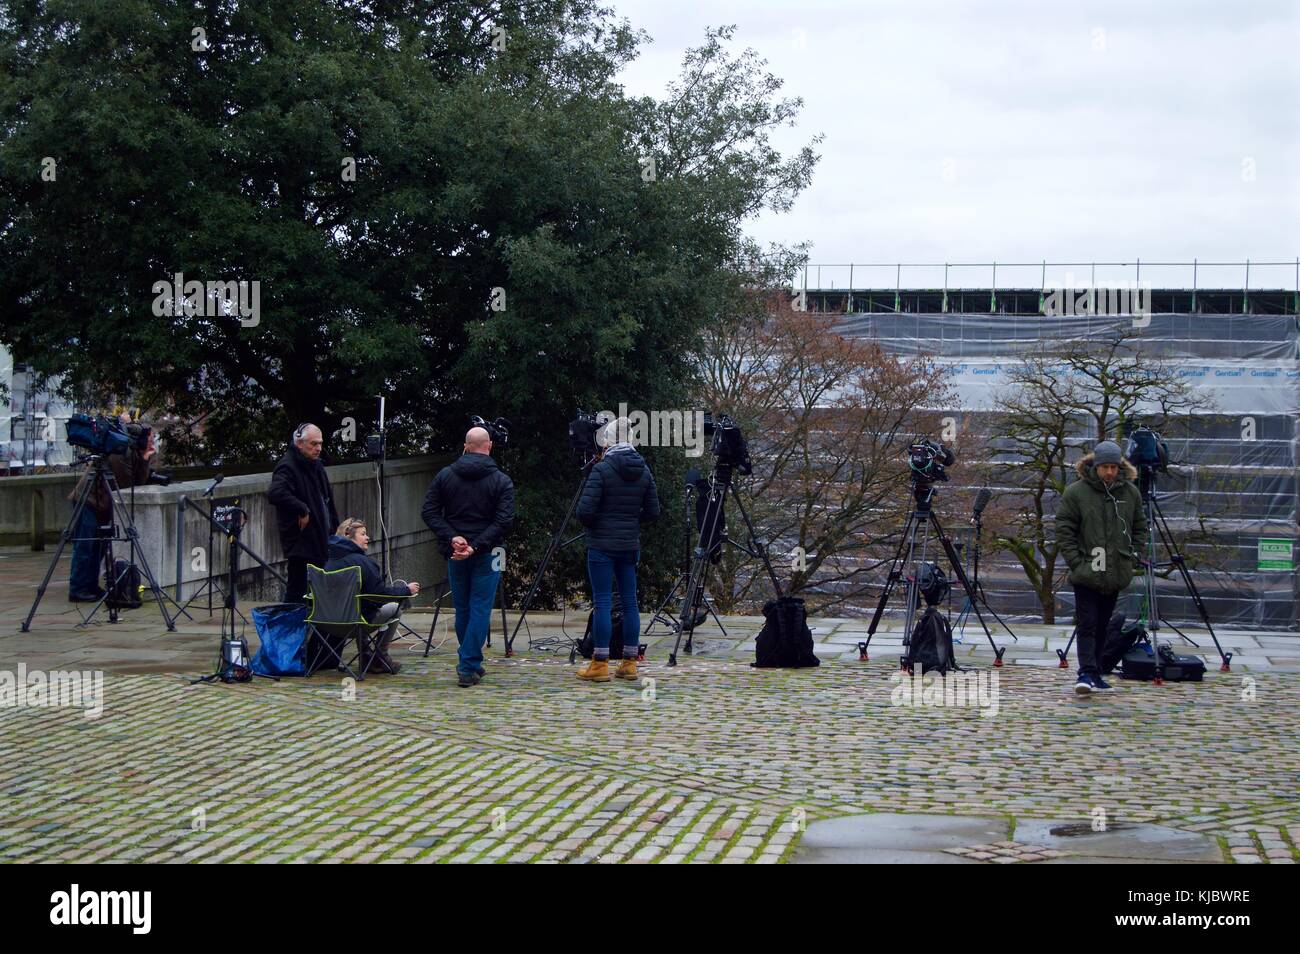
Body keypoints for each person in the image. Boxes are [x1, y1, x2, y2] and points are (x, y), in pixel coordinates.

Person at [421, 426, 514, 687]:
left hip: (455, 550)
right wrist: (476, 545)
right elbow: (503, 521)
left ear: (465, 445)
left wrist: (453, 538)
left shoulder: (446, 476)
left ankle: (470, 659)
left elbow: (429, 512)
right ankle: (468, 663)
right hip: (490, 551)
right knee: (481, 607)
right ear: (490, 446)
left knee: (462, 607)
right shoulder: (501, 481)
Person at [1055, 439, 1148, 695]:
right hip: (1087, 571)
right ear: (1095, 466)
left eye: (1113, 467)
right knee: (1087, 622)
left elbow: (1140, 526)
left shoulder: (1130, 493)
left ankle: (1095, 672)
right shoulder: (1076, 492)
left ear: (1119, 467)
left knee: (1103, 623)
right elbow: (1064, 529)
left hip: (1115, 572)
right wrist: (1076, 561)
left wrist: (1131, 553)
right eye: (1104, 467)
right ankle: (1086, 671)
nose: (1109, 472)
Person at [574, 417, 660, 682]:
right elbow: (653, 512)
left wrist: (598, 524)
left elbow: (584, 511)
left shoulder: (601, 470)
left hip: (602, 544)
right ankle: (630, 661)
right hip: (629, 543)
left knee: (602, 601)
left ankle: (599, 663)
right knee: (630, 602)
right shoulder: (644, 470)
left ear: (608, 440)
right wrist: (630, 522)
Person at [67, 411, 157, 602]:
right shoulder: (120, 452)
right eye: (150, 439)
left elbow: (138, 482)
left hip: (103, 503)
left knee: (99, 546)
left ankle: (90, 586)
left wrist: (145, 458)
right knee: (86, 545)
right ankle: (78, 588)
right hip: (89, 499)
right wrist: (142, 460)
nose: (152, 443)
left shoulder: (133, 453)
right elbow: (125, 483)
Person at [325, 518, 420, 673]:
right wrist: (405, 590)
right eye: (363, 534)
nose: (367, 537)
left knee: (359, 605)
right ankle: (380, 656)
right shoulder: (362, 562)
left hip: (326, 622)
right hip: (355, 623)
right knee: (395, 607)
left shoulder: (328, 562)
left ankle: (366, 654)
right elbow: (379, 594)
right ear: (350, 536)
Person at [268, 423, 339, 604]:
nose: (318, 448)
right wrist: (302, 508)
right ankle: (290, 628)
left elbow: (327, 501)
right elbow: (276, 492)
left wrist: (335, 528)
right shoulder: (288, 466)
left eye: (320, 444)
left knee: (317, 592)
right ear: (299, 444)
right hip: (303, 543)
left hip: (321, 538)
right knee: (298, 591)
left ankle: (314, 627)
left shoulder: (316, 465)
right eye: (313, 444)